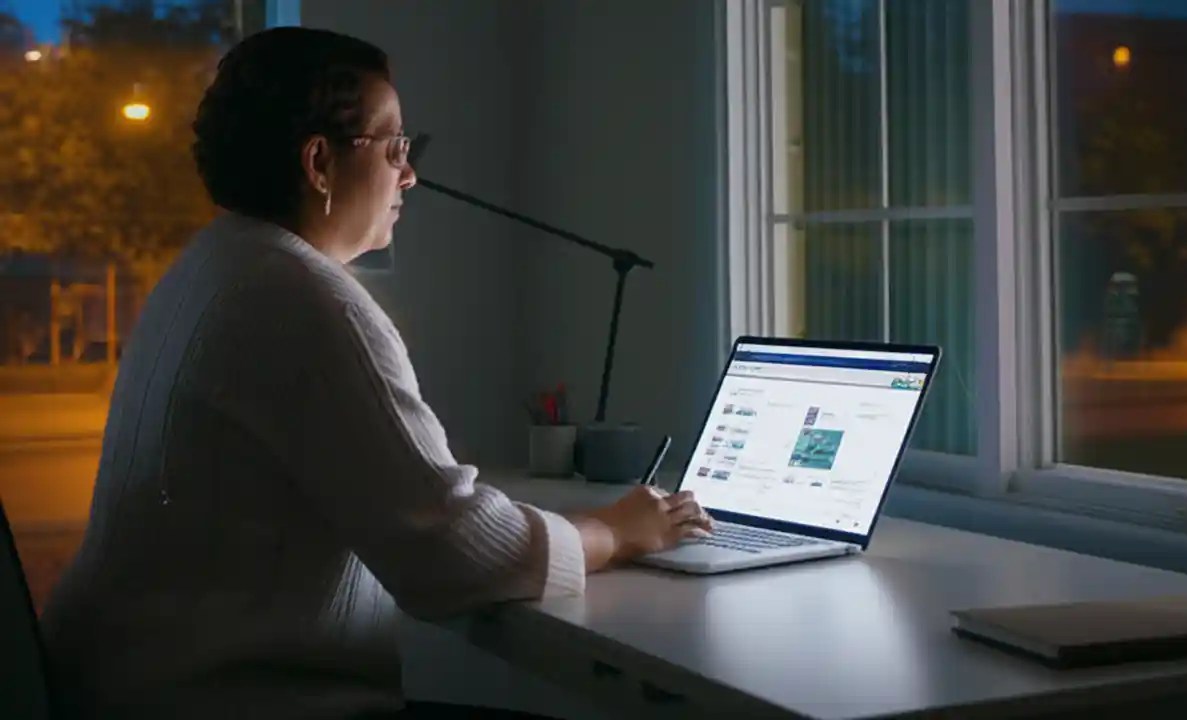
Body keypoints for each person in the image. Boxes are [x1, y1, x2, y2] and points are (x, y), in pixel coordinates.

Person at [39, 27, 711, 720]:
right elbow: (459, 557)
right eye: (394, 147)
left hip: (128, 687)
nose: (410, 173)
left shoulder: (217, 264)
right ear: (319, 164)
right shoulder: (302, 299)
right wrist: (620, 530)